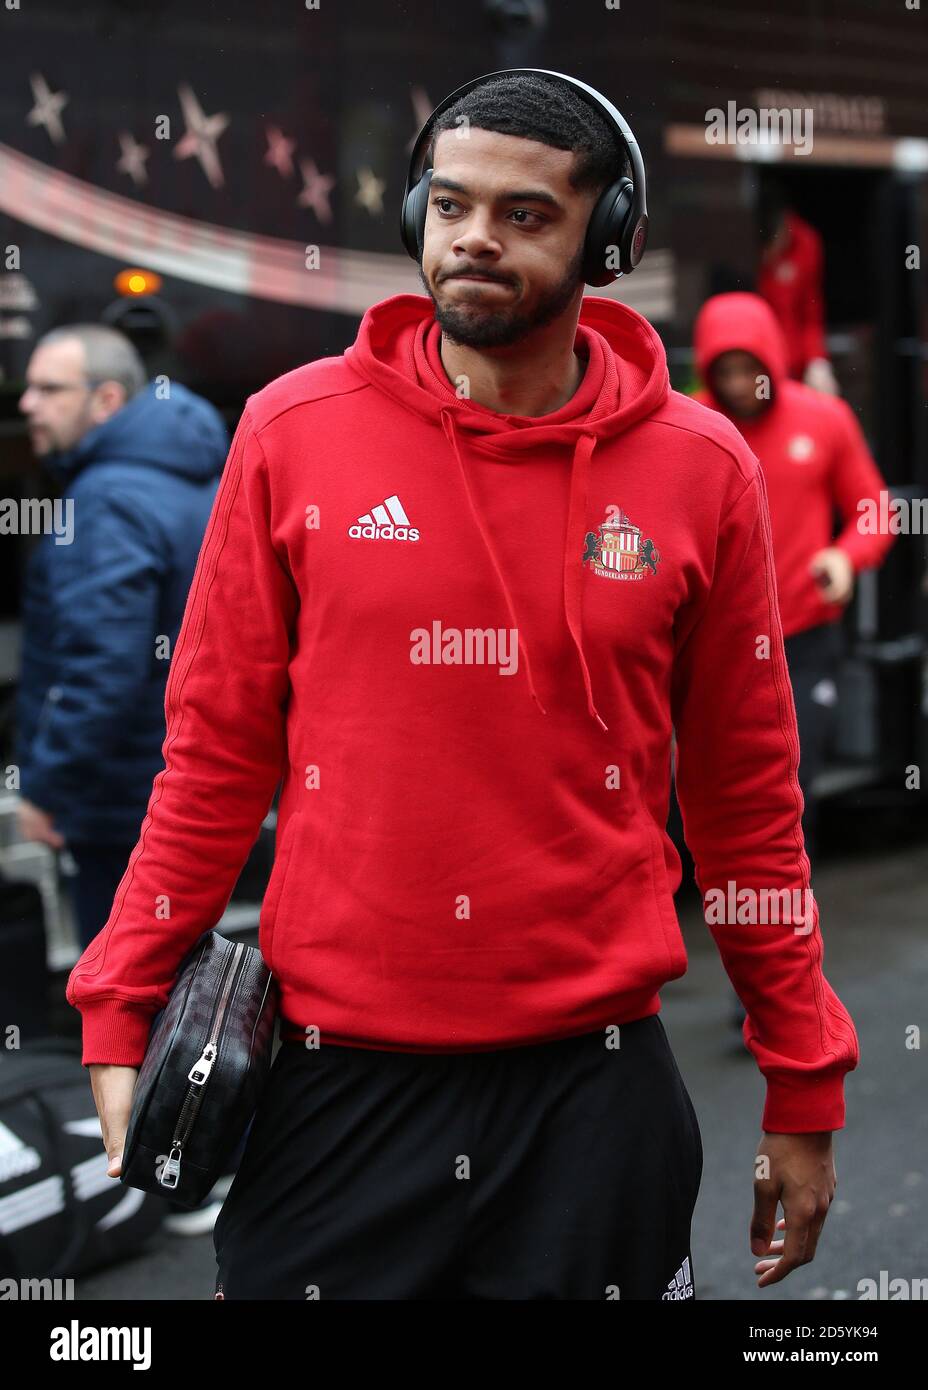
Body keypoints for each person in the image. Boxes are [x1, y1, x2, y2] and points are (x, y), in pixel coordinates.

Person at [68, 70, 859, 1301]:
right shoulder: (291, 433)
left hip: (590, 1095)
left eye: (527, 214)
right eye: (450, 205)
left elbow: (749, 802)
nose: (475, 238)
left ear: (608, 243)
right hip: (335, 1088)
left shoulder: (702, 471)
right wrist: (121, 996)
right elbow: (216, 757)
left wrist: (802, 1076)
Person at [15, 324, 229, 953]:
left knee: (120, 987)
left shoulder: (107, 500)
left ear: (106, 400)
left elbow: (103, 667)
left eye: (49, 389)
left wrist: (50, 790)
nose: (27, 404)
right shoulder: (194, 475)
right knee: (177, 980)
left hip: (118, 798)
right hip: (184, 782)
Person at [692, 292, 896, 861]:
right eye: (725, 369)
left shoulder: (823, 418)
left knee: (791, 781)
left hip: (804, 638)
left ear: (771, 361)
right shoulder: (691, 425)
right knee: (713, 780)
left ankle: (782, 910)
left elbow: (874, 510)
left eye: (748, 367)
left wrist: (845, 557)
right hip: (716, 644)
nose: (738, 383)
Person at [756, 185, 839, 395]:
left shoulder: (805, 243)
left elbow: (811, 310)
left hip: (795, 363)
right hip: (756, 362)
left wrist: (817, 360)